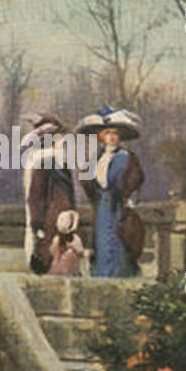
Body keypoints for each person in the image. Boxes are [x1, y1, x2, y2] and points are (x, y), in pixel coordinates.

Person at [78, 107, 144, 278]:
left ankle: (118, 275)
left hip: (118, 206)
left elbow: (136, 178)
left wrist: (125, 195)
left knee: (118, 242)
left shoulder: (126, 156)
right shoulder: (96, 158)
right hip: (101, 205)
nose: (112, 137)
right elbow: (86, 180)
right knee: (102, 242)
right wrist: (95, 192)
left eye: (115, 133)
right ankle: (102, 275)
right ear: (101, 136)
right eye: (107, 133)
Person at [21, 113, 76, 274]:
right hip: (49, 219)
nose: (63, 141)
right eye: (59, 138)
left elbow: (67, 193)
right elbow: (35, 197)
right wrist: (37, 223)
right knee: (48, 256)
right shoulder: (44, 162)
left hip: (62, 218)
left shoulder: (60, 161)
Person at [47, 210, 89, 277]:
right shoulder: (74, 240)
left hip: (59, 270)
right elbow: (81, 252)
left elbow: (52, 251)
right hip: (66, 271)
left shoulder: (57, 240)